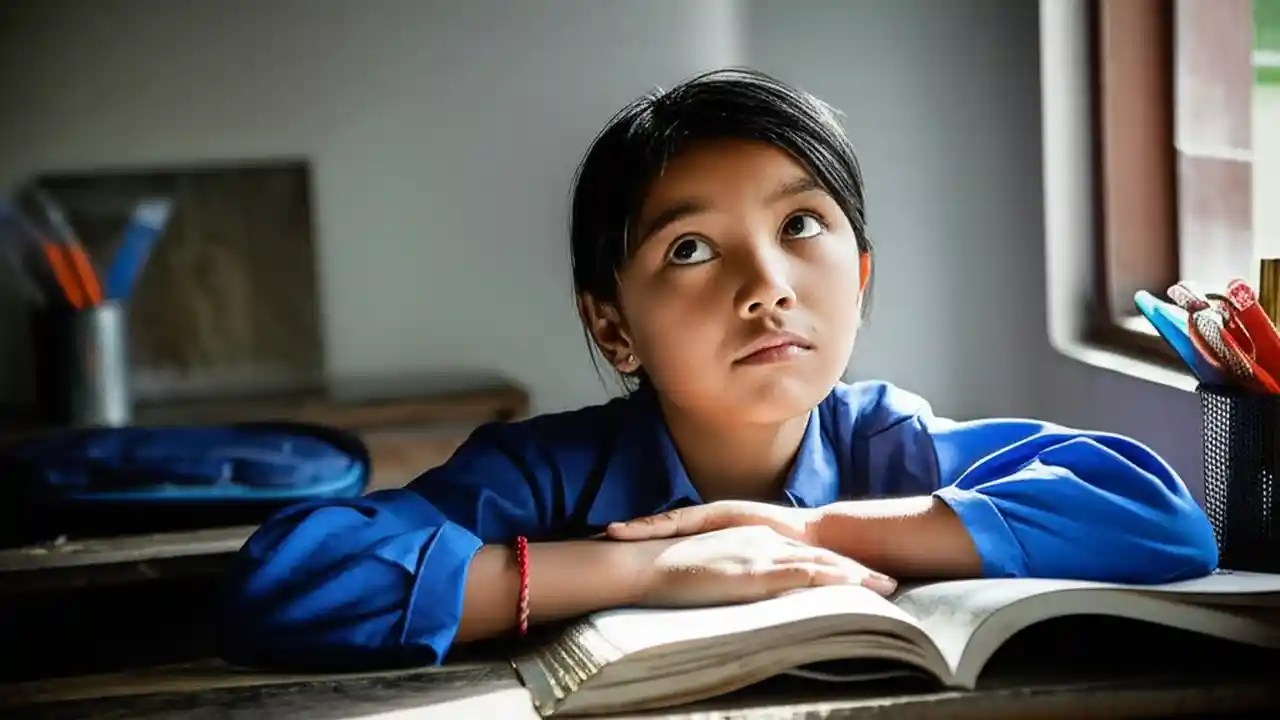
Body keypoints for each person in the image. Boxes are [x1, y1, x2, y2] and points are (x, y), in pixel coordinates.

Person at [217, 68, 1218, 670]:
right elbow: (287, 585)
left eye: (799, 226)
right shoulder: (544, 476)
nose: (766, 285)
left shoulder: (886, 446)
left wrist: (803, 527)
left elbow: (1155, 516)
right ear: (612, 329)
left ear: (858, 278)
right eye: (689, 250)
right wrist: (648, 566)